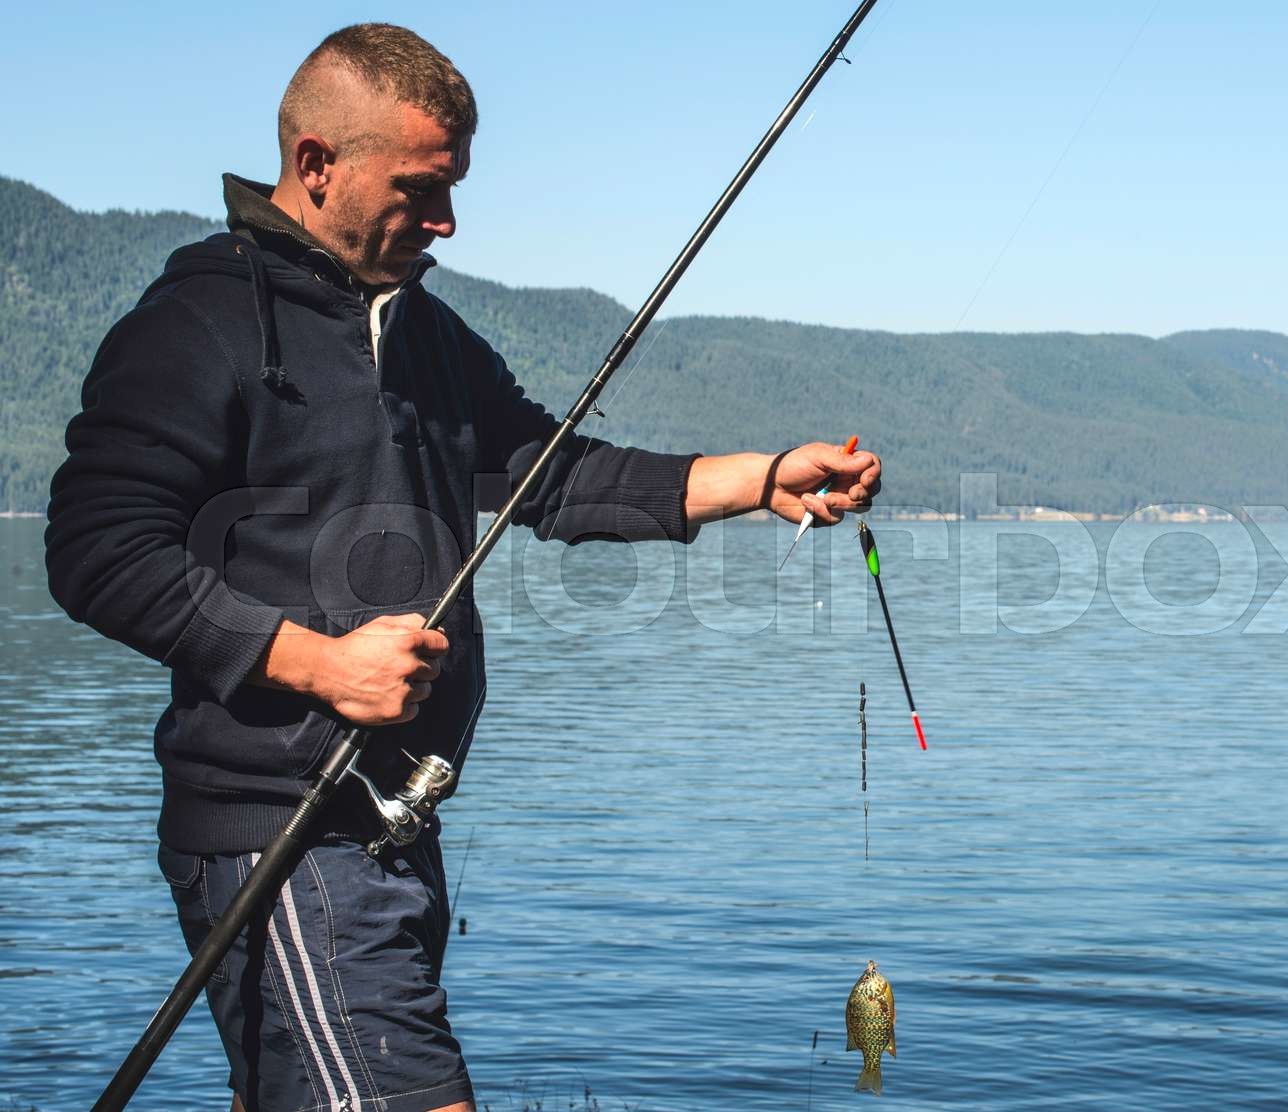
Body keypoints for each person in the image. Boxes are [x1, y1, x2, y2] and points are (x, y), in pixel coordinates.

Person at [44, 23, 880, 1112]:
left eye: (454, 189)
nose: (446, 220)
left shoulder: (425, 331)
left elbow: (551, 470)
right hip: (281, 832)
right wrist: (314, 662)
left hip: (394, 825)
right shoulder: (196, 321)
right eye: (422, 189)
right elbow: (94, 546)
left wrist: (758, 476)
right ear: (316, 166)